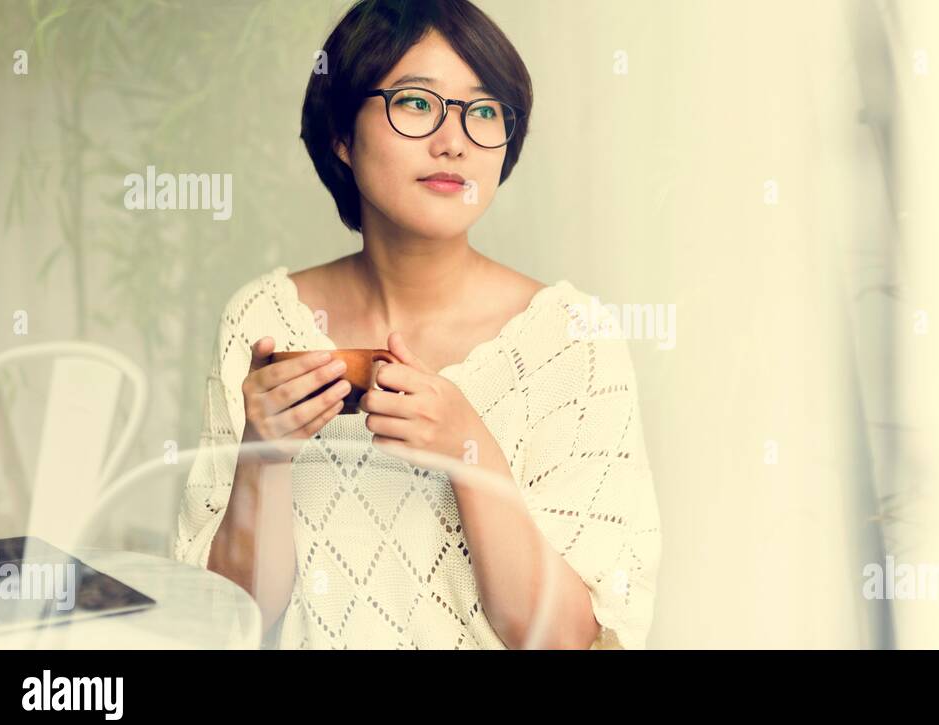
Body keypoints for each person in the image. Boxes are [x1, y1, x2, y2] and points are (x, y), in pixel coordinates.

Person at [171, 0, 660, 649]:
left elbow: (567, 640)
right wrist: (265, 455)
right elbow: (231, 621)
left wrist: (471, 449)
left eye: (485, 111)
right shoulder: (262, 321)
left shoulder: (571, 339)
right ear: (342, 134)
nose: (454, 140)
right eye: (416, 103)